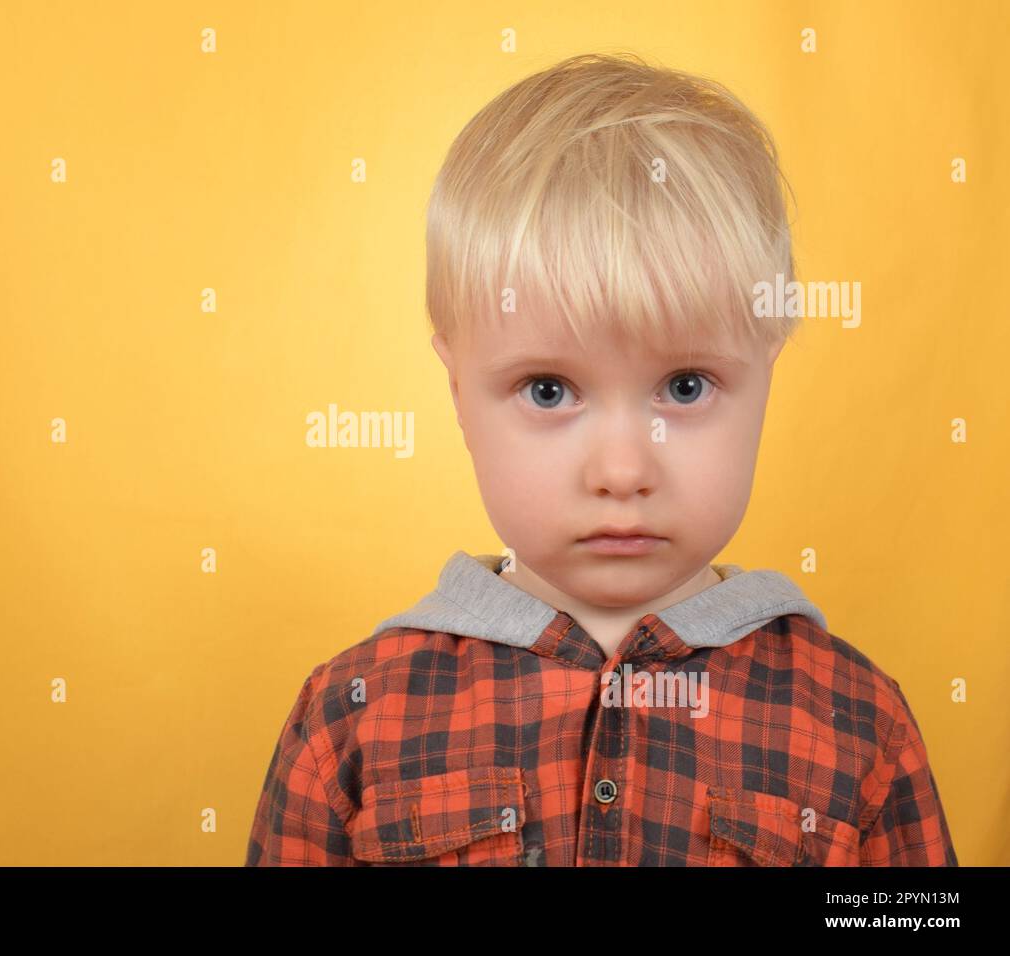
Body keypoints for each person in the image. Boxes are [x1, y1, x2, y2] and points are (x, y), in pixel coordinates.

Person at [245, 52, 957, 866]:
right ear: (456, 393)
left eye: (684, 387)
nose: (623, 470)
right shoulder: (352, 720)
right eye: (548, 390)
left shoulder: (857, 723)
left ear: (768, 372)